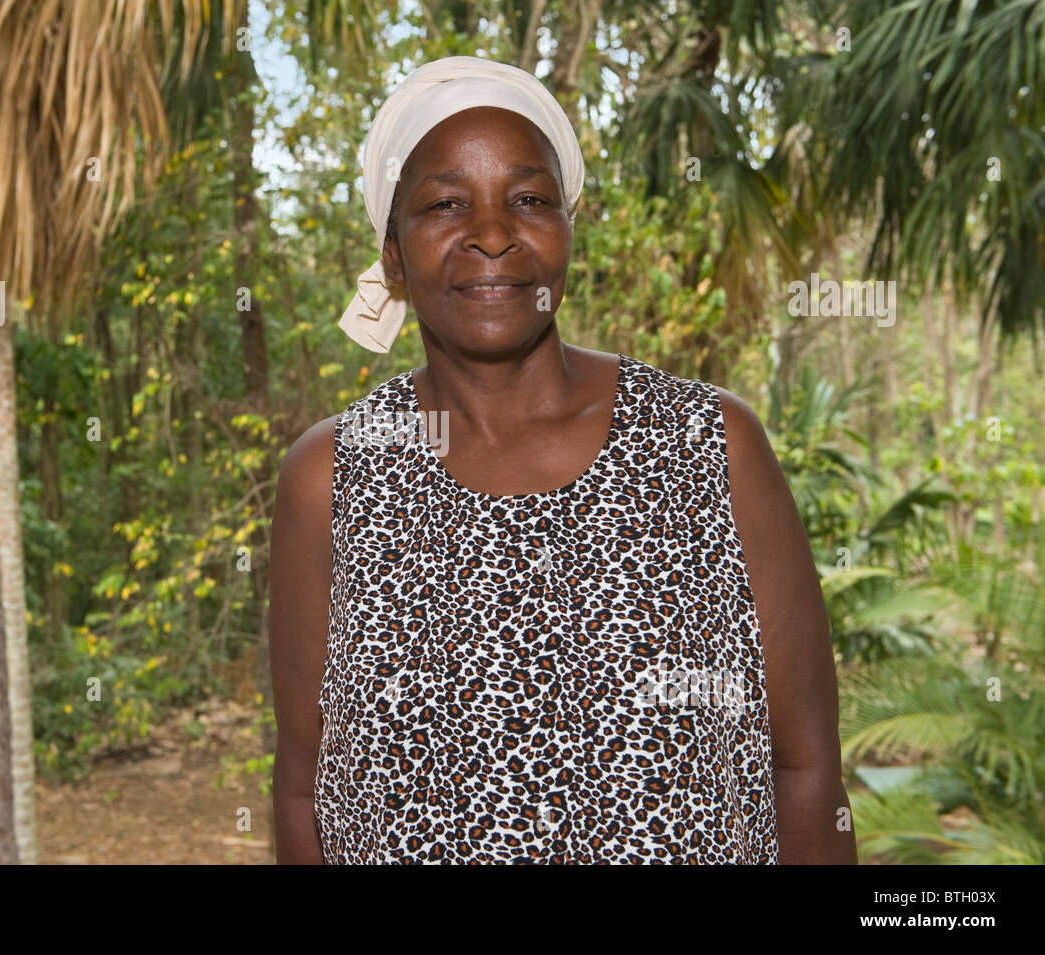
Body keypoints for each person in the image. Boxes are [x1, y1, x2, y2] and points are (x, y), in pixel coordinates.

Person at [269, 56, 856, 864]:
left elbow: (806, 765)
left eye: (529, 199)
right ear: (394, 256)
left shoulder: (707, 445)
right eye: (444, 204)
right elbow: (306, 785)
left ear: (568, 225)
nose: (493, 234)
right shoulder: (333, 478)